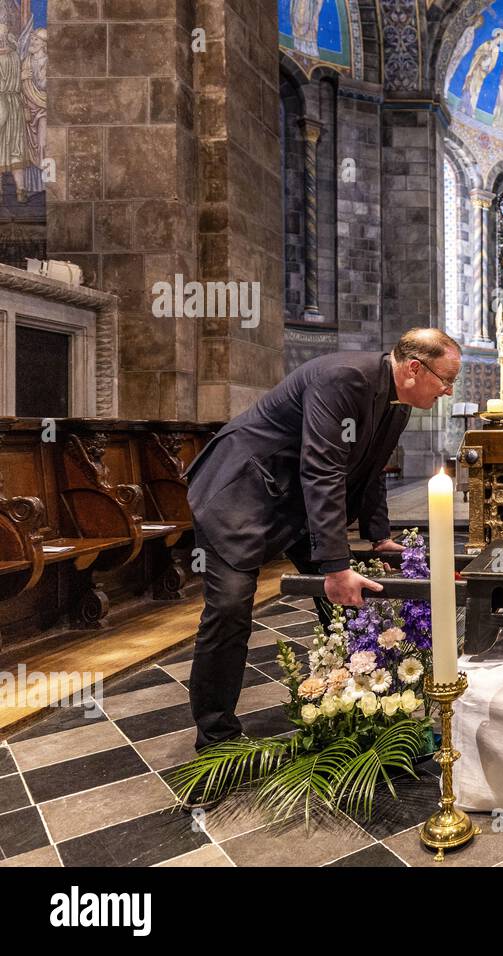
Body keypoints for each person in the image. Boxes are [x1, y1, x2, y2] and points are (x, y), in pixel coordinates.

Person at [182, 329, 462, 802]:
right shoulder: (343, 379)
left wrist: (379, 537)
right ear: (415, 368)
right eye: (446, 379)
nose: (448, 390)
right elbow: (323, 468)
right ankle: (216, 742)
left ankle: (366, 713)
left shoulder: (395, 401)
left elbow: (369, 471)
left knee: (356, 602)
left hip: (299, 506)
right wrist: (334, 566)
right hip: (241, 494)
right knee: (229, 609)